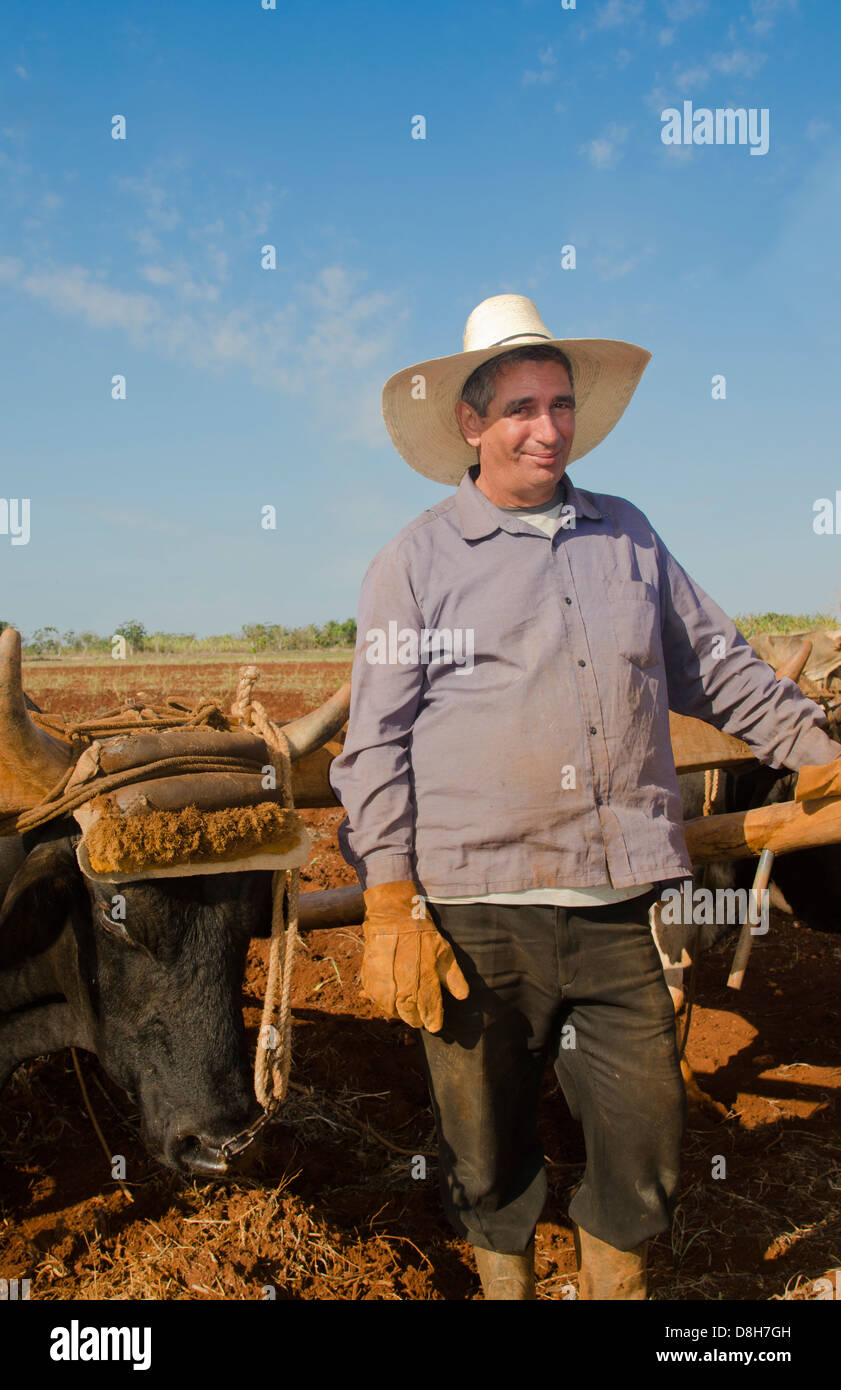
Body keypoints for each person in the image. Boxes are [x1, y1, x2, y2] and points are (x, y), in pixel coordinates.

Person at [328, 294, 840, 1300]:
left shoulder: (628, 536)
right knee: (483, 1147)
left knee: (644, 1141)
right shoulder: (415, 562)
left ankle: (617, 1288)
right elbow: (374, 742)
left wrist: (815, 749)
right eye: (520, 407)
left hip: (620, 906)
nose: (547, 427)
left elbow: (717, 668)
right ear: (471, 423)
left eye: (559, 404)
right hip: (477, 914)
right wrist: (390, 898)